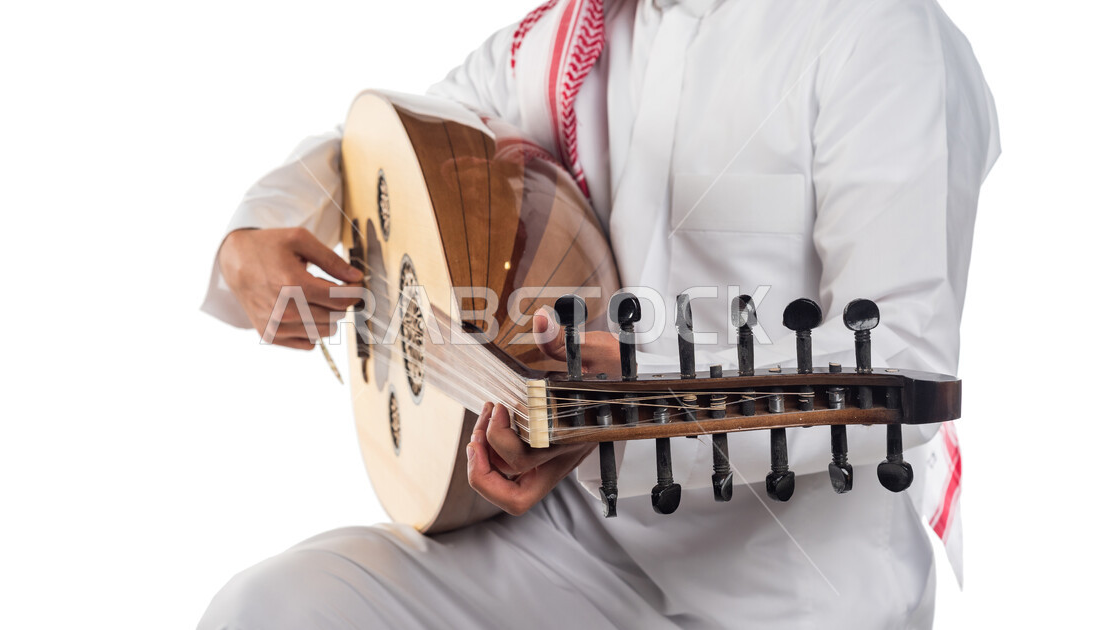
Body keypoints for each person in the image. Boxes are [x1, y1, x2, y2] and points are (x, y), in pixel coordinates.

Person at [199, 0, 999, 627]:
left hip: (797, 597)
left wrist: (617, 402)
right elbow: (378, 149)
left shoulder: (880, 36)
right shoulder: (573, 38)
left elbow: (908, 367)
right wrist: (251, 239)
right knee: (271, 611)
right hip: (572, 554)